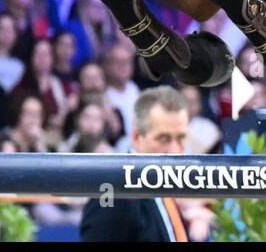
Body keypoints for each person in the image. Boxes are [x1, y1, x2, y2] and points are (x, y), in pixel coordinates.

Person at [80, 86, 195, 242]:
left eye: (181, 138)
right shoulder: (115, 190)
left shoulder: (161, 186)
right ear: (136, 137)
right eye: (164, 138)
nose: (175, 150)